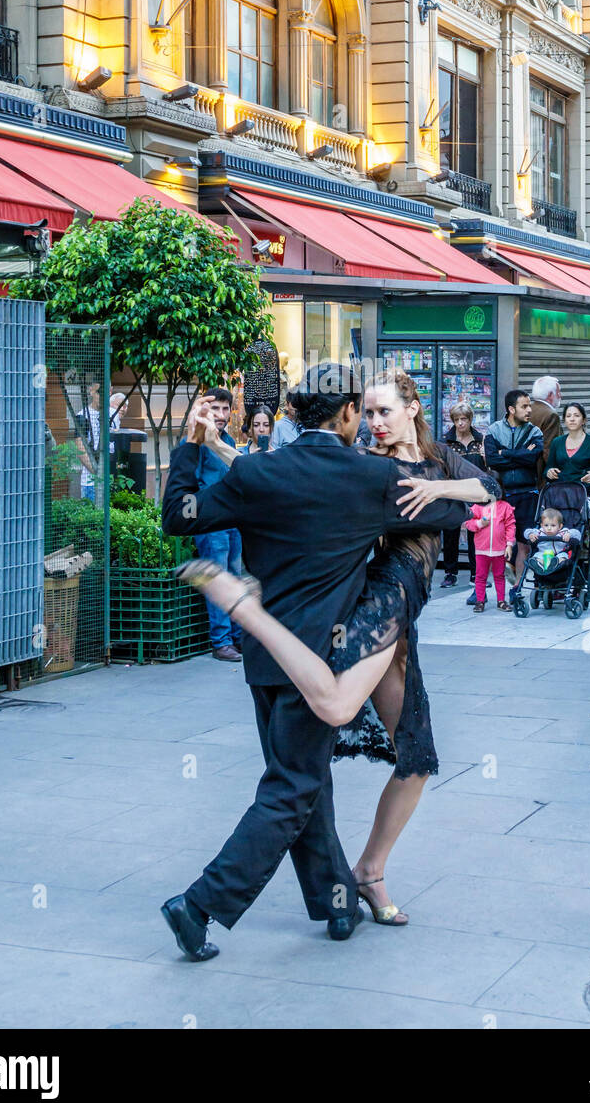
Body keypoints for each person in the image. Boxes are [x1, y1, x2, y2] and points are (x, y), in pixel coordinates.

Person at [159, 363, 473, 961]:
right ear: (349, 412)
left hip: (263, 658)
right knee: (294, 787)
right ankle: (200, 905)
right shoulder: (372, 476)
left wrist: (189, 446)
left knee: (305, 782)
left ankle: (335, 902)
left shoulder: (257, 470)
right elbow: (450, 516)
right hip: (320, 658)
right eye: (364, 411)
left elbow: (180, 517)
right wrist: (444, 483)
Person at [188, 387, 244, 662]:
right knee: (219, 579)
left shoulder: (229, 442)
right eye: (216, 409)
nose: (221, 415)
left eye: (225, 409)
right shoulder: (197, 442)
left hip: (233, 519)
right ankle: (221, 641)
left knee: (234, 577)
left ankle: (235, 636)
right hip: (212, 522)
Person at [484, 390, 543, 574]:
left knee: (524, 543)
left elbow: (532, 458)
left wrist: (506, 453)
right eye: (524, 406)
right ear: (511, 409)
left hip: (528, 494)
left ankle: (516, 588)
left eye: (529, 405)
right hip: (503, 495)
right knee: (500, 543)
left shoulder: (534, 431)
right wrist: (519, 455)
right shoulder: (494, 430)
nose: (529, 410)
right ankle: (490, 588)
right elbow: (493, 460)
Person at [440, 402, 485, 588]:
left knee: (476, 531)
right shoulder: (446, 441)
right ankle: (450, 572)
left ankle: (477, 573)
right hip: (454, 490)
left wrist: (485, 458)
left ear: (470, 420)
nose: (460, 423)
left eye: (464, 419)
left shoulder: (480, 439)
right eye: (457, 420)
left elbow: (486, 468)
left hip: (475, 492)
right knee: (451, 532)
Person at [545, 403, 590, 508]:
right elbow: (548, 469)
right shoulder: (557, 442)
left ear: (584, 420)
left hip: (586, 499)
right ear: (564, 420)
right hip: (561, 499)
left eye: (576, 416)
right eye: (568, 416)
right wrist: (549, 473)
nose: (572, 419)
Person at [463, 482, 515, 612]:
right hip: (482, 549)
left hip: (499, 549)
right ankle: (480, 601)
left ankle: (501, 601)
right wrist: (480, 523)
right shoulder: (477, 507)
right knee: (480, 576)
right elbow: (468, 523)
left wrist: (509, 544)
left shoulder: (505, 507)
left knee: (499, 575)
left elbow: (510, 526)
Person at [523, 509, 581, 576]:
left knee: (563, 557)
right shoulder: (539, 532)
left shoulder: (563, 532)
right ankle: (539, 566)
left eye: (553, 525)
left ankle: (554, 564)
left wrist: (569, 534)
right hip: (543, 554)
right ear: (542, 525)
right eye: (546, 525)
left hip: (559, 554)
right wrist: (530, 534)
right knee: (537, 557)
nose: (549, 528)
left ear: (560, 526)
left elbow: (577, 534)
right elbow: (526, 532)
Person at [529, 376, 563, 481]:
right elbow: (550, 450)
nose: (560, 396)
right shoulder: (551, 415)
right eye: (558, 392)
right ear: (550, 395)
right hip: (540, 476)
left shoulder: (527, 409)